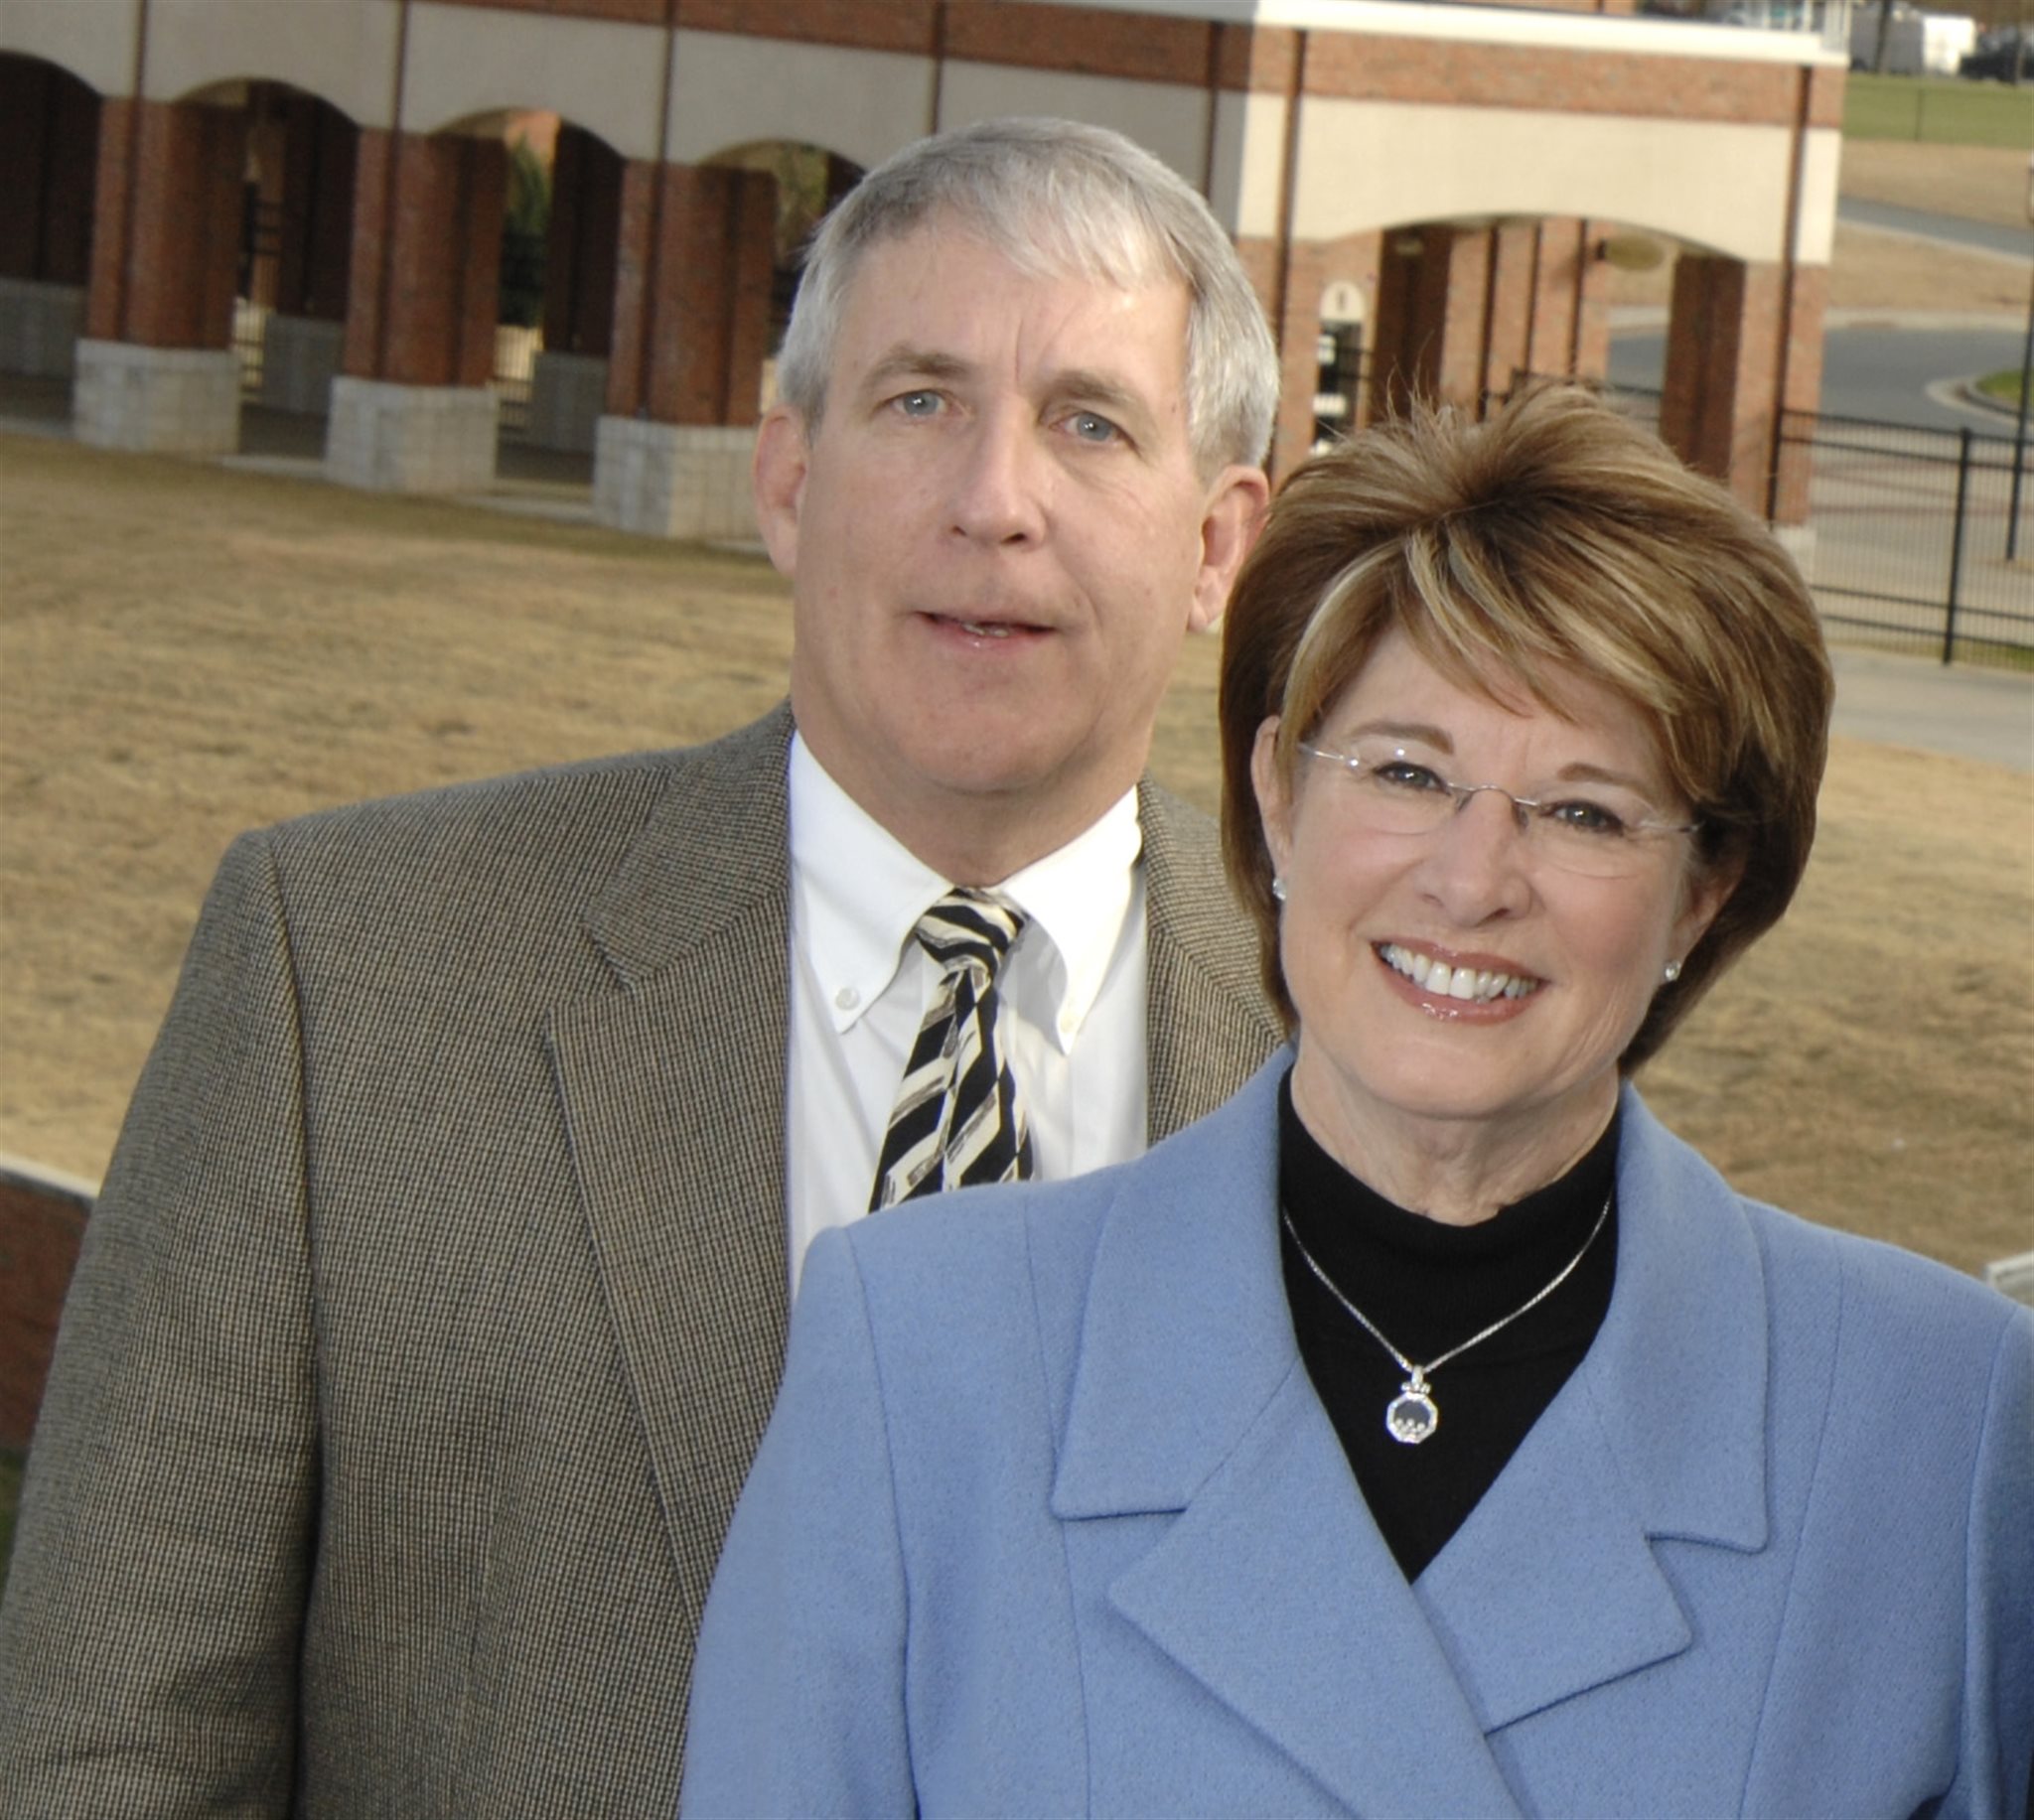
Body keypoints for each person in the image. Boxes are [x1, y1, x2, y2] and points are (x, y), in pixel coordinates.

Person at [0, 118, 1285, 1814]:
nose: (997, 501)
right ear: (786, 478)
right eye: (920, 401)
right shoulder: (345, 978)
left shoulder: (1361, 1051)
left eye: (1090, 423)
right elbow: (108, 1748)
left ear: (1216, 544)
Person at [681, 385, 2034, 1815]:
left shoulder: (1943, 1427)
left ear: (1706, 887)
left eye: (1584, 808)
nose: (1472, 877)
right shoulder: (921, 1357)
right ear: (1277, 797)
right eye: (1407, 770)